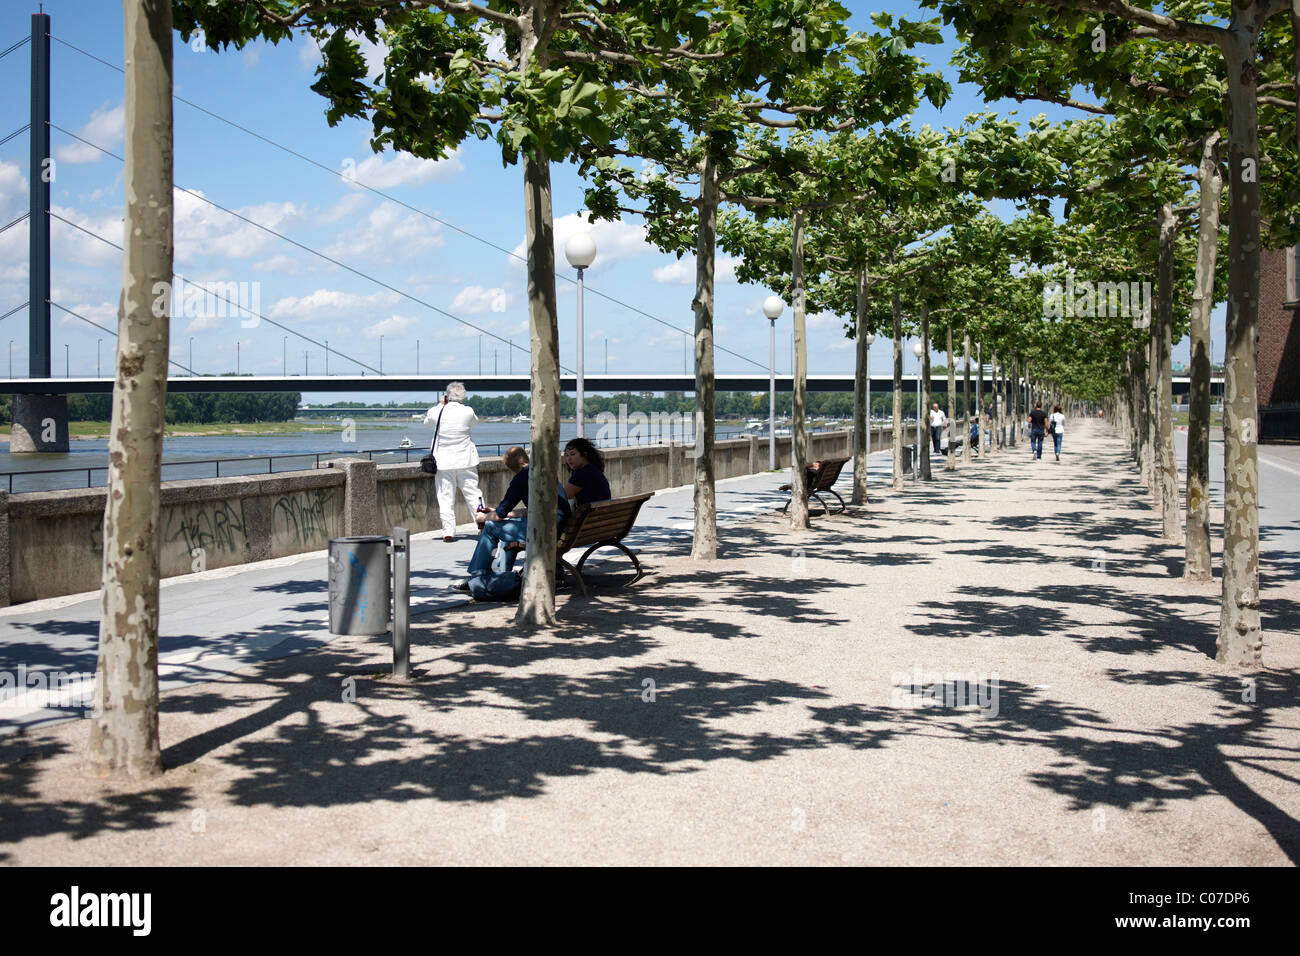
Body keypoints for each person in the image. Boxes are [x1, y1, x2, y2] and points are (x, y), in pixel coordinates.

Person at [455, 446, 571, 589]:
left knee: (491, 527)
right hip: (559, 527)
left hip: (543, 531)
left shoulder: (521, 478)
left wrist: (483, 517)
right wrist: (498, 512)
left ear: (510, 467)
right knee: (508, 528)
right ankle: (503, 574)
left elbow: (499, 516)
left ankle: (478, 574)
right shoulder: (545, 473)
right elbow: (531, 511)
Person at [425, 382, 480, 542]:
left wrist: (440, 404)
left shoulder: (437, 411)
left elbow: (427, 422)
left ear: (447, 395)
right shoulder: (468, 411)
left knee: (445, 496)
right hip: (466, 460)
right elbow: (474, 422)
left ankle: (448, 531)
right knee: (473, 494)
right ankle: (481, 525)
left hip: (444, 461)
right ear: (463, 396)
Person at [562, 437, 612, 506]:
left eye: (572, 454)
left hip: (590, 515)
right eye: (567, 455)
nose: (569, 459)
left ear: (584, 455)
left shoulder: (583, 473)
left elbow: (562, 497)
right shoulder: (594, 469)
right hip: (603, 514)